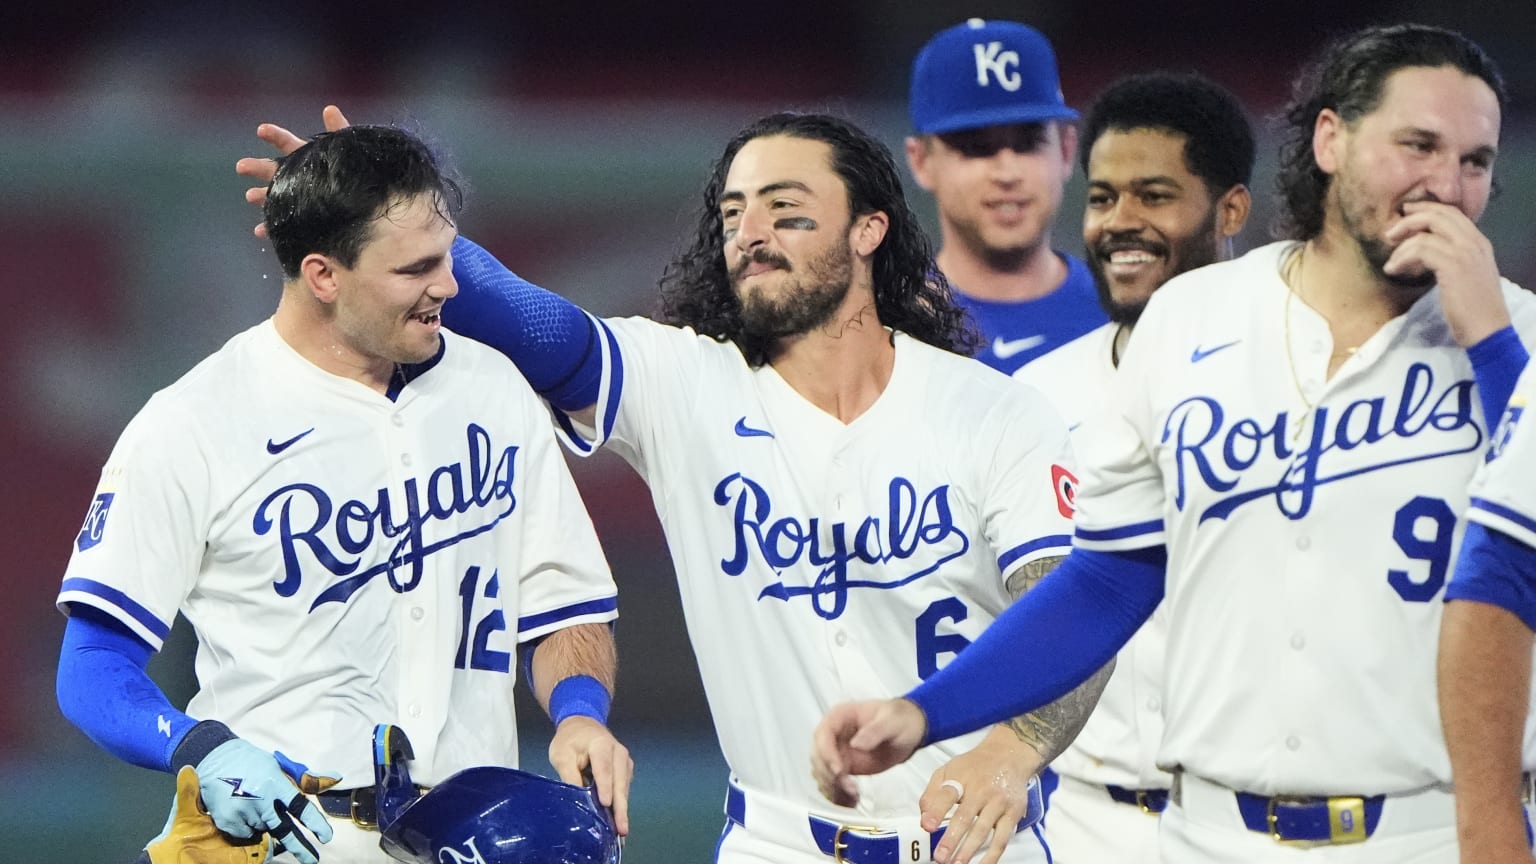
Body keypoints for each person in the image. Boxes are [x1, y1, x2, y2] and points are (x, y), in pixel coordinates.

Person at [240, 108, 1112, 864]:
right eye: (734, 213)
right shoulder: (687, 385)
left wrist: (1017, 750)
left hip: (976, 843)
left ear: (869, 230)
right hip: (779, 842)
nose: (751, 232)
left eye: (787, 211)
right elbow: (526, 320)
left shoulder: (995, 414)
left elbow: (1078, 612)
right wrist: (379, 212)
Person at [812, 22, 1536, 864]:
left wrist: (1490, 341)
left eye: (1476, 161)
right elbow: (1110, 579)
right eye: (1418, 145)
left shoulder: (1518, 335)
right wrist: (932, 709)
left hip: (1431, 834)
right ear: (1331, 139)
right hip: (1207, 837)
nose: (1444, 184)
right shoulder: (1193, 320)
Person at [56, 125, 632, 864]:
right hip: (279, 837)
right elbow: (93, 663)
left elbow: (567, 607)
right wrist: (197, 746)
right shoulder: (193, 422)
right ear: (324, 275)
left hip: (467, 840)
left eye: (447, 256)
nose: (450, 286)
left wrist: (579, 715)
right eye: (415, 268)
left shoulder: (493, 389)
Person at [1011, 71, 1255, 863]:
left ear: (1231, 211)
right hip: (1080, 819)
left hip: (1253, 821)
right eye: (1104, 197)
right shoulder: (1037, 395)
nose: (1121, 223)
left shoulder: (1307, 380)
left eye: (1154, 196)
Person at [905, 18, 1106, 374]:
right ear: (921, 162)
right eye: (976, 148)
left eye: (1028, 144)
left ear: (1066, 151)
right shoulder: (885, 327)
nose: (1008, 173)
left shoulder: (1124, 313)